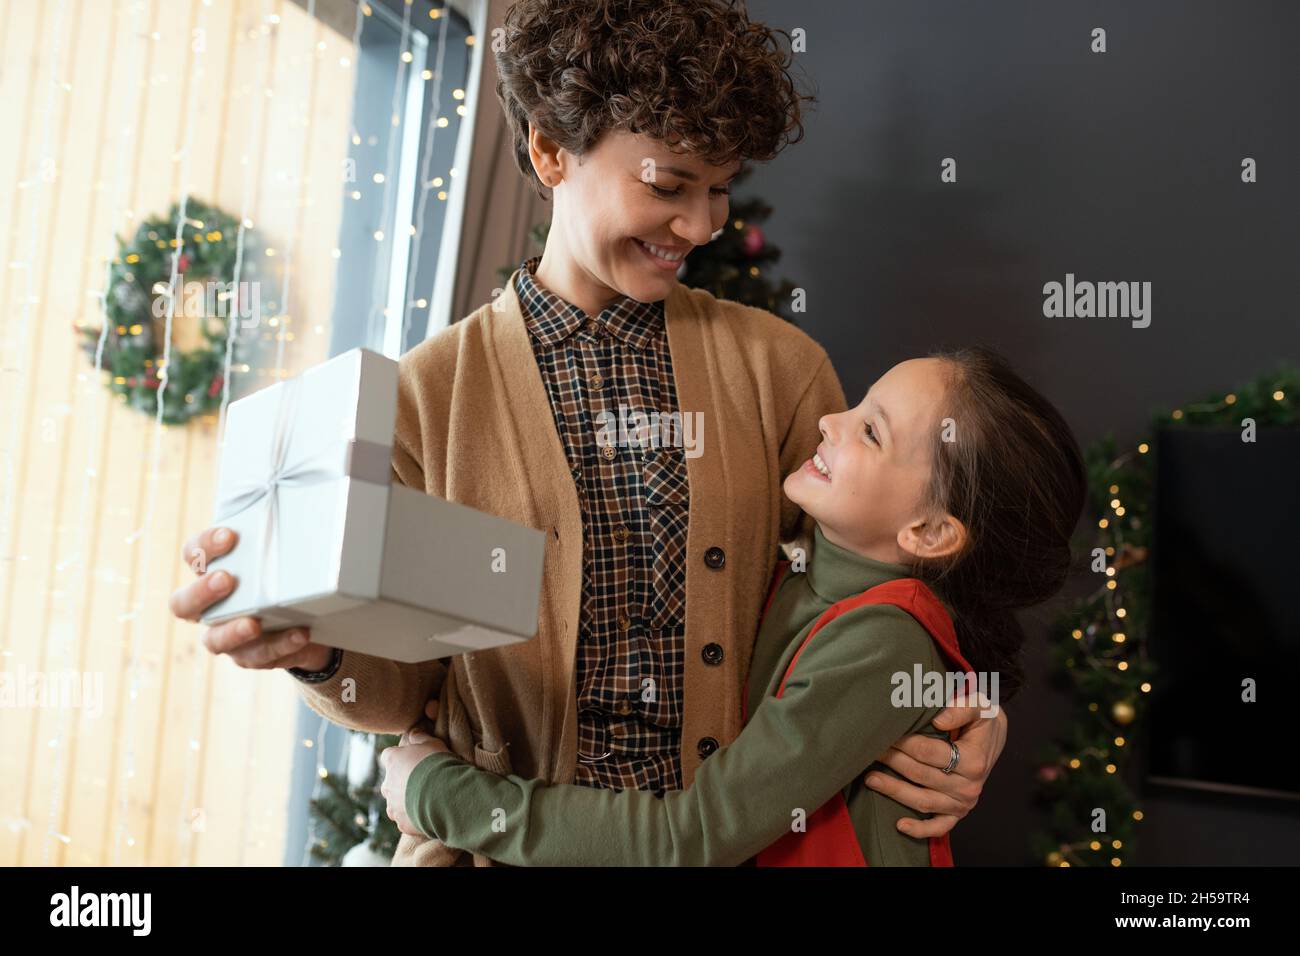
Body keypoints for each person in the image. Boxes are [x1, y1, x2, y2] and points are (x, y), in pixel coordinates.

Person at [168, 0, 1009, 866]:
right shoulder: (427, 396)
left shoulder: (779, 369)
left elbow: (865, 590)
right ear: (548, 151)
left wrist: (964, 707)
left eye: (718, 187)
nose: (701, 224)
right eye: (668, 184)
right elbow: (400, 692)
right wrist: (318, 653)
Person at [379, 349, 1085, 866]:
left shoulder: (881, 639)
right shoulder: (807, 567)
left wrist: (441, 796)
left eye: (871, 431)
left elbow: (692, 837)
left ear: (929, 534)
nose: (830, 421)